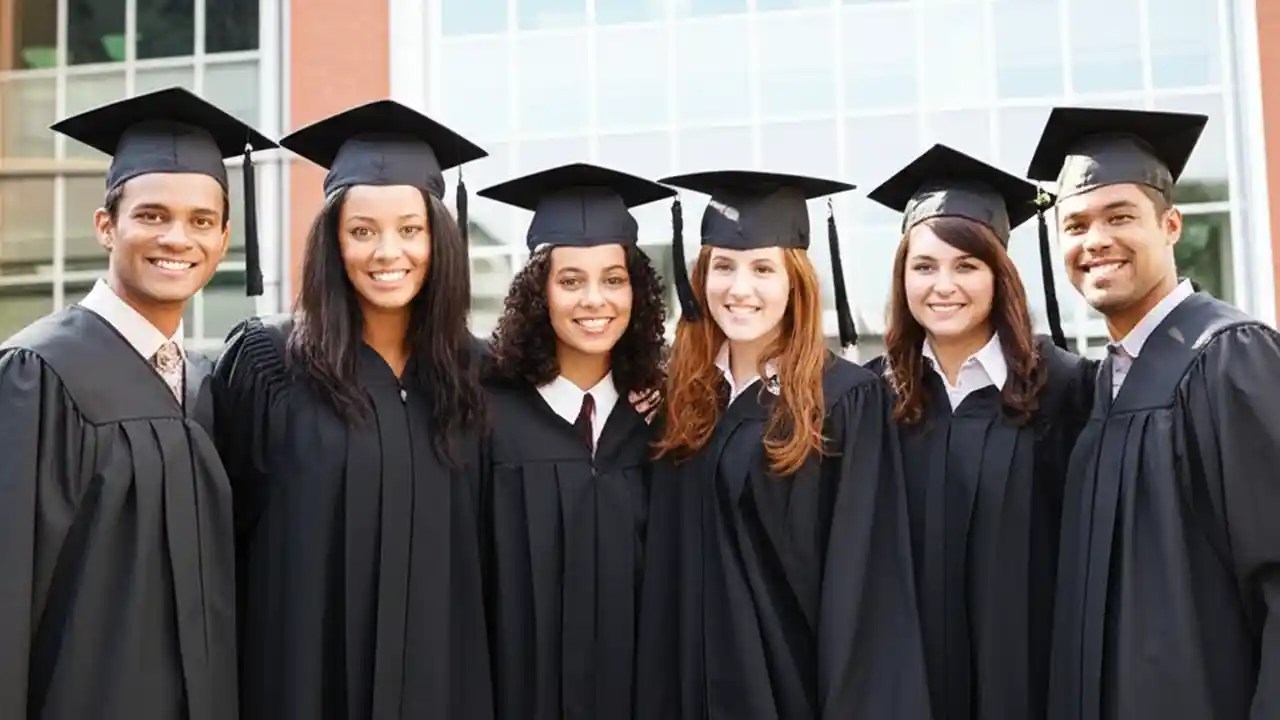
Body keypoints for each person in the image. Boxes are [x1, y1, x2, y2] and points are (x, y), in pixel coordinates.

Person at [0, 87, 275, 720]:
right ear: (106, 226)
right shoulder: (38, 374)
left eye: (201, 221)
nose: (177, 238)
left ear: (225, 237)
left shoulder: (208, 388)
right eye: (152, 215)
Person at [212, 100, 493, 719]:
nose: (386, 251)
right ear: (333, 241)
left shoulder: (479, 377)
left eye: (410, 229)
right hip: (299, 686)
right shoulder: (268, 366)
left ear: (438, 238)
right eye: (362, 230)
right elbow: (216, 536)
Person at [638, 170, 931, 719]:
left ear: (795, 281)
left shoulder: (844, 402)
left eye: (762, 268)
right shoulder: (680, 401)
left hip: (788, 696)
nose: (739, 288)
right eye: (722, 266)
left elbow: (866, 593)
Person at [1026, 107, 1280, 720]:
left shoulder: (1229, 356)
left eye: (1120, 217)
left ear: (1171, 225)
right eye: (1076, 224)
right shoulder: (1103, 384)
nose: (1095, 241)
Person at [864, 143, 1095, 720]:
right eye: (924, 266)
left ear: (999, 275)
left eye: (966, 265)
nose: (944, 285)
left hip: (1029, 679)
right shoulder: (869, 397)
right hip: (905, 682)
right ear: (903, 277)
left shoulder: (1067, 389)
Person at [477, 162, 672, 719]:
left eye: (614, 279)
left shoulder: (663, 421)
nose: (595, 300)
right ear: (539, 293)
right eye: (570, 281)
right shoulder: (489, 416)